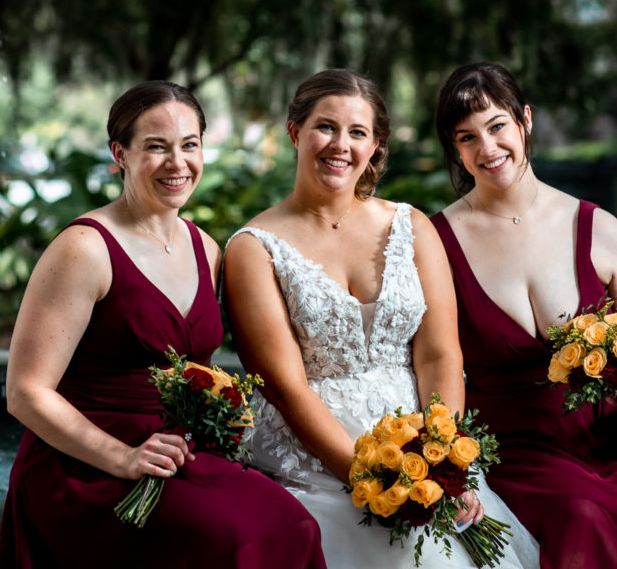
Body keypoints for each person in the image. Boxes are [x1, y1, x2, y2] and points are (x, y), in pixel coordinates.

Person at [0, 82, 326, 569]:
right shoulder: (84, 249)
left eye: (189, 145)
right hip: (86, 467)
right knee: (238, 538)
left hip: (174, 454)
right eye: (157, 147)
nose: (177, 163)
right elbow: (25, 393)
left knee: (296, 524)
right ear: (120, 153)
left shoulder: (207, 249)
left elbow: (199, 377)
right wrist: (123, 458)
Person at [223, 69, 538, 569]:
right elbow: (286, 387)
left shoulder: (412, 226)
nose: (340, 145)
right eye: (326, 127)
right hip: (315, 462)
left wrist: (444, 463)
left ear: (375, 146)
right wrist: (371, 481)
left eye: (357, 132)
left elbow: (439, 355)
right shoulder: (252, 248)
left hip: (424, 451)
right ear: (295, 132)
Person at [428, 61, 617, 569]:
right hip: (521, 451)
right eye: (467, 138)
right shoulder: (437, 241)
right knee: (581, 518)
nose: (487, 148)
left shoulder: (598, 226)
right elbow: (431, 361)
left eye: (497, 126)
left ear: (525, 120)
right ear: (455, 148)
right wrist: (449, 460)